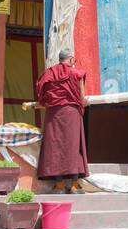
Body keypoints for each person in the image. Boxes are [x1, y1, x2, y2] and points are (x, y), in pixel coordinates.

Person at [33, 48, 89, 192]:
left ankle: (59, 185)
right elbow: (82, 99)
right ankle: (75, 185)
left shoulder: (49, 74)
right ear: (71, 60)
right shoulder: (77, 73)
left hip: (54, 113)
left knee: (55, 145)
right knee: (73, 145)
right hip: (72, 113)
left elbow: (42, 95)